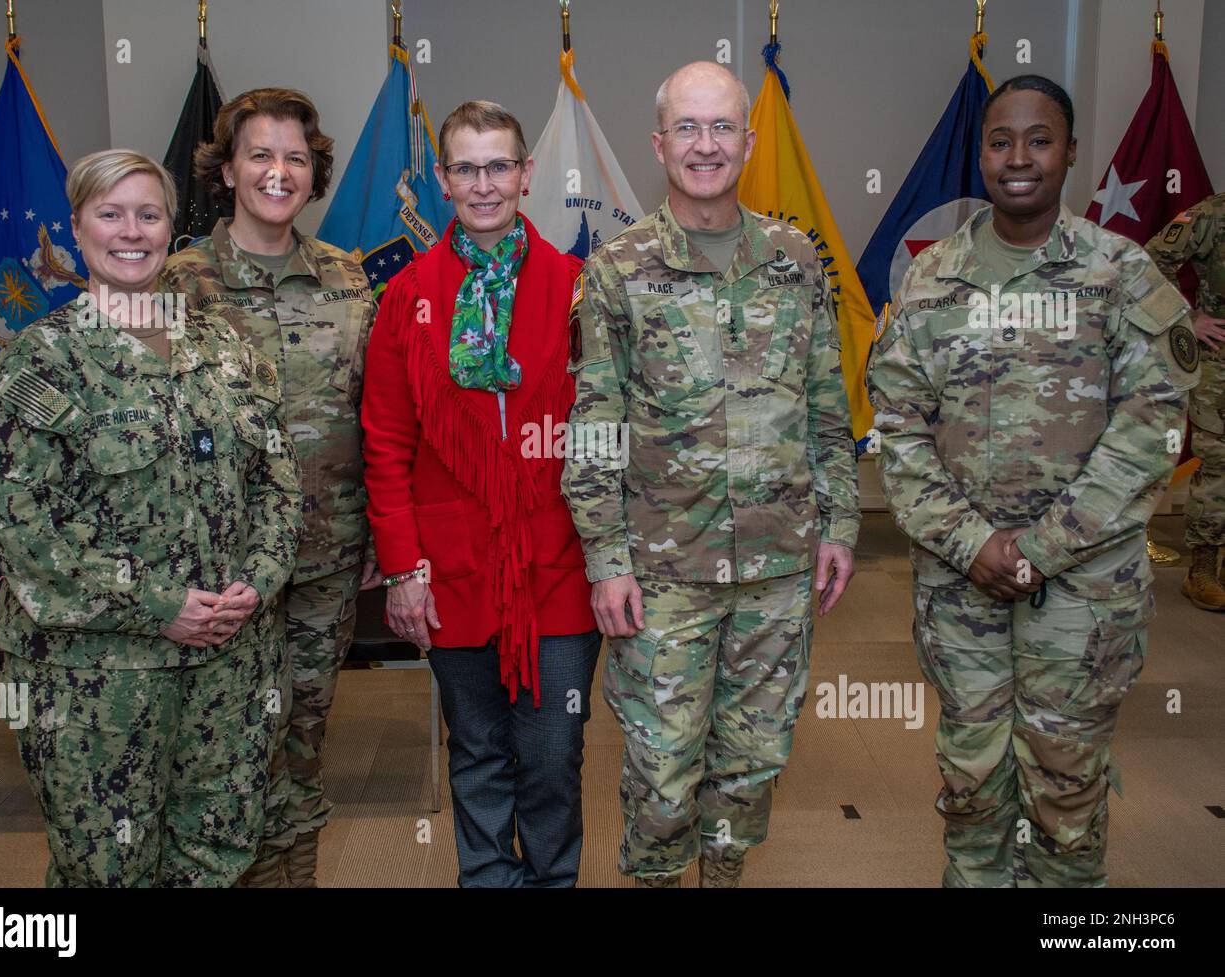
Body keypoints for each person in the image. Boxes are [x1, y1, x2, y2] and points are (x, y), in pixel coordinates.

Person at [867, 75, 1200, 888]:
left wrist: (1043, 549)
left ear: (1072, 151)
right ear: (981, 154)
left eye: (1039, 139)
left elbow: (1153, 428)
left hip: (1084, 591)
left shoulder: (1121, 274)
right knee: (971, 780)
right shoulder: (930, 279)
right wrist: (975, 543)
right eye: (1000, 141)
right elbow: (898, 427)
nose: (1019, 158)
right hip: (961, 587)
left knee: (1065, 788)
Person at [562, 62, 860, 888]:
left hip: (778, 567)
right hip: (665, 574)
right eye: (687, 128)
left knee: (752, 764)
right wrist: (607, 558)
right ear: (659, 144)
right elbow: (594, 427)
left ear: (749, 141)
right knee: (662, 776)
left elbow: (826, 405)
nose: (705, 145)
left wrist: (840, 525)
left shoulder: (798, 259)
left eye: (722, 127)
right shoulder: (617, 268)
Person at [0, 149, 302, 887]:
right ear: (77, 229)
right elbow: (29, 536)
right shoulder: (40, 362)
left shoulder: (225, 349)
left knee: (216, 857)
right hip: (100, 682)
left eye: (149, 214)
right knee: (106, 869)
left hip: (229, 665)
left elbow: (278, 486)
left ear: (170, 228)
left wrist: (256, 581)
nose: (132, 231)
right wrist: (159, 606)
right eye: (111, 213)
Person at [362, 101, 599, 887]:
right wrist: (402, 567)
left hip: (556, 564)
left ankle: (555, 879)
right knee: (478, 752)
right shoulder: (407, 296)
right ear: (443, 179)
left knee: (552, 752)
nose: (484, 184)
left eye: (500, 165)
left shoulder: (579, 291)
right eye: (466, 167)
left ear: (527, 175)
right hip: (449, 568)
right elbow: (387, 445)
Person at [161, 88, 376, 887]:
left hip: (325, 559)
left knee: (302, 743)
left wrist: (380, 534)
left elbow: (374, 413)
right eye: (260, 154)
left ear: (312, 171)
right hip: (222, 574)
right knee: (223, 753)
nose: (278, 172)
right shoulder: (178, 284)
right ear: (227, 170)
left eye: (294, 157)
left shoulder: (348, 280)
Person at [1146, 193, 1225, 610]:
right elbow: (1153, 260)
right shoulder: (1211, 215)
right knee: (1218, 463)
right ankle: (1203, 568)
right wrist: (1187, 318)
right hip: (1220, 365)